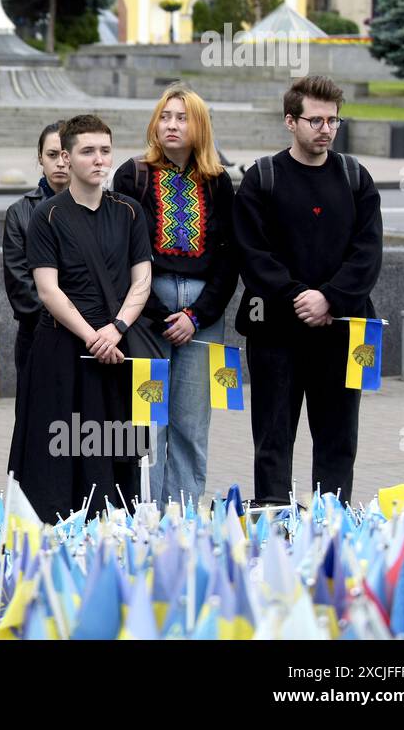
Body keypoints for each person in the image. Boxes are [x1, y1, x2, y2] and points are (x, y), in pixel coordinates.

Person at [234, 75, 382, 506]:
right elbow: (252, 253)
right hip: (275, 332)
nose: (325, 129)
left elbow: (368, 252)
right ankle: (276, 518)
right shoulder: (263, 178)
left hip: (343, 330)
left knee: (338, 438)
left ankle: (330, 520)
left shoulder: (355, 177)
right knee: (273, 437)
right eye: (315, 120)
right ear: (290, 121)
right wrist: (299, 296)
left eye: (333, 120)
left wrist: (330, 299)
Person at [17, 114, 154, 523]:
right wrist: (93, 336)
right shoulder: (47, 215)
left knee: (114, 447)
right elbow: (47, 290)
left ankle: (113, 528)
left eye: (105, 151)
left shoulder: (129, 211)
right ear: (68, 157)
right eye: (87, 151)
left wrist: (116, 330)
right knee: (59, 448)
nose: (99, 160)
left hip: (117, 347)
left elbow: (142, 280)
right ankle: (53, 534)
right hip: (63, 349)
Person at [112, 85, 240, 507]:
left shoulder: (219, 182)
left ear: (199, 125)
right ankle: (147, 510)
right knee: (150, 420)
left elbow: (228, 258)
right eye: (165, 116)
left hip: (202, 314)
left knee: (190, 421)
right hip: (148, 309)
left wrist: (196, 315)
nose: (171, 124)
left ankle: (182, 516)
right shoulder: (132, 176)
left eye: (182, 117)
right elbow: (124, 253)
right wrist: (156, 313)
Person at [3, 122, 69, 481]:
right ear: (39, 160)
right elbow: (20, 284)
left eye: (64, 153)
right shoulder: (20, 212)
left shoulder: (104, 206)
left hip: (87, 337)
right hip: (38, 335)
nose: (60, 162)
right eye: (51, 155)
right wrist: (67, 318)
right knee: (35, 421)